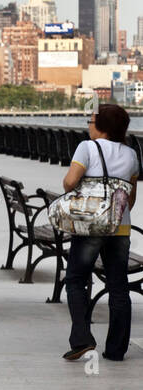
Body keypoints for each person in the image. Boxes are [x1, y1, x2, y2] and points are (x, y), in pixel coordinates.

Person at [61, 104, 138, 362]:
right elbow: (131, 200)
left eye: (91, 121)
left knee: (75, 279)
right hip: (120, 226)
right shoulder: (131, 154)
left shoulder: (87, 148)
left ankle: (82, 339)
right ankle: (116, 350)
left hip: (90, 224)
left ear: (101, 126)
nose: (88, 125)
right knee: (118, 286)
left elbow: (70, 182)